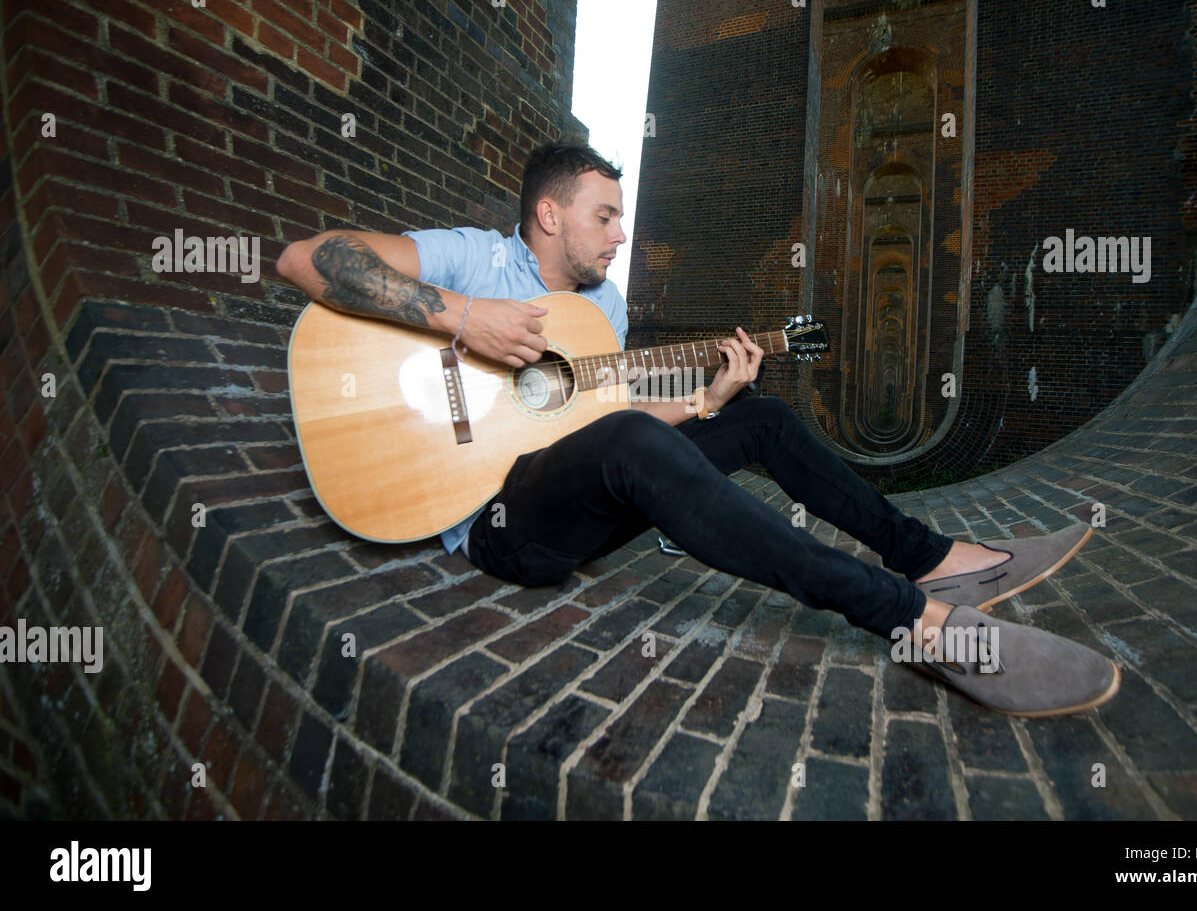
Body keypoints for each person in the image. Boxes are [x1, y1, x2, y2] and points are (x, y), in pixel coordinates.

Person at [276, 137, 1121, 717]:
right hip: (499, 521)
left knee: (759, 418)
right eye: (604, 215)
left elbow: (602, 421)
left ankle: (926, 556)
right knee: (634, 446)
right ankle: (908, 620)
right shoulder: (474, 259)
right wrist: (466, 318)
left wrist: (707, 401)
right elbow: (306, 259)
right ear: (546, 215)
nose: (620, 232)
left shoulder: (600, 310)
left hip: (580, 482)